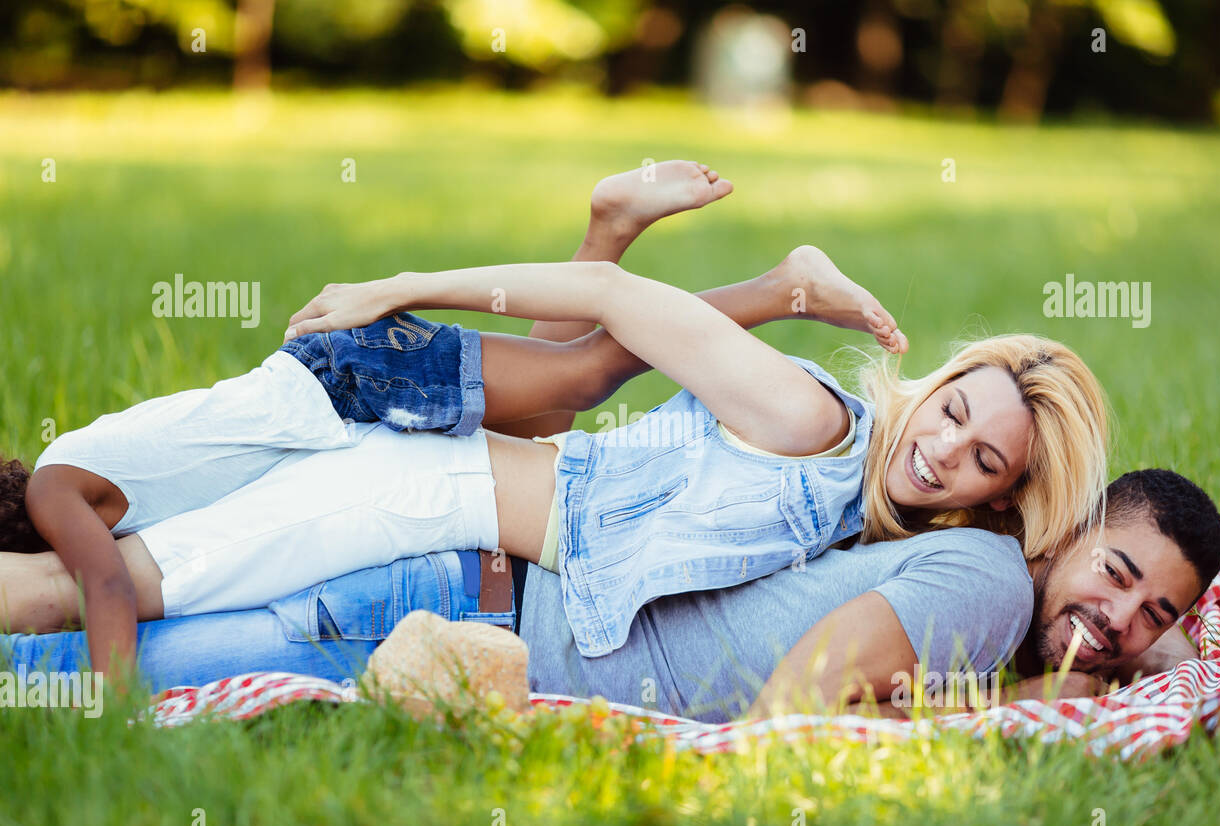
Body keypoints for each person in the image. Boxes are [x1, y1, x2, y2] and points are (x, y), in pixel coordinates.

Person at [2, 161, 1107, 689]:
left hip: (478, 493)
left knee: (569, 385)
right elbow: (625, 316)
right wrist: (407, 281)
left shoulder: (864, 506)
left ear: (996, 494)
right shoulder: (823, 426)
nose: (944, 447)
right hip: (416, 491)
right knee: (108, 584)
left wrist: (1125, 622)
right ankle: (730, 264)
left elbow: (617, 351)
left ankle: (669, 243)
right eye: (954, 411)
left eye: (981, 459)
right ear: (937, 384)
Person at [1, 469, 1220, 723]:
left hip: (469, 613)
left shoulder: (1006, 633)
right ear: (1063, 535)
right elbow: (794, 712)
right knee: (61, 679)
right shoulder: (984, 591)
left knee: (78, 626)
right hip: (461, 615)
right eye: (1116, 574)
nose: (1122, 620)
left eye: (1157, 612)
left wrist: (1141, 650)